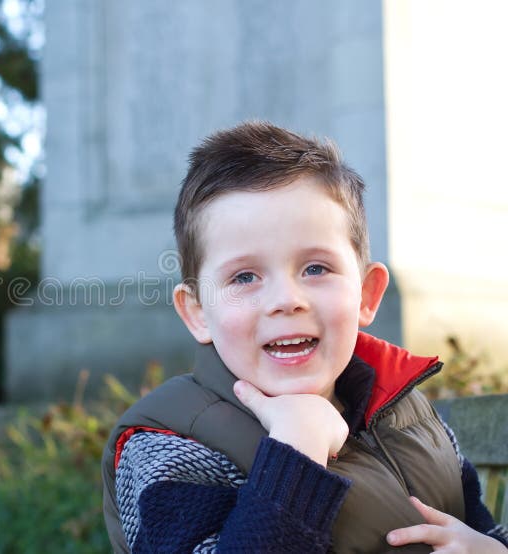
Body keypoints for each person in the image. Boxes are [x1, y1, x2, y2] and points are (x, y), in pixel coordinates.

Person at [101, 121, 508, 553]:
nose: (286, 300)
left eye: (315, 268)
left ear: (367, 295)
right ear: (198, 312)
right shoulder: (169, 444)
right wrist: (296, 453)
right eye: (244, 277)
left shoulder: (408, 413)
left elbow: (477, 525)